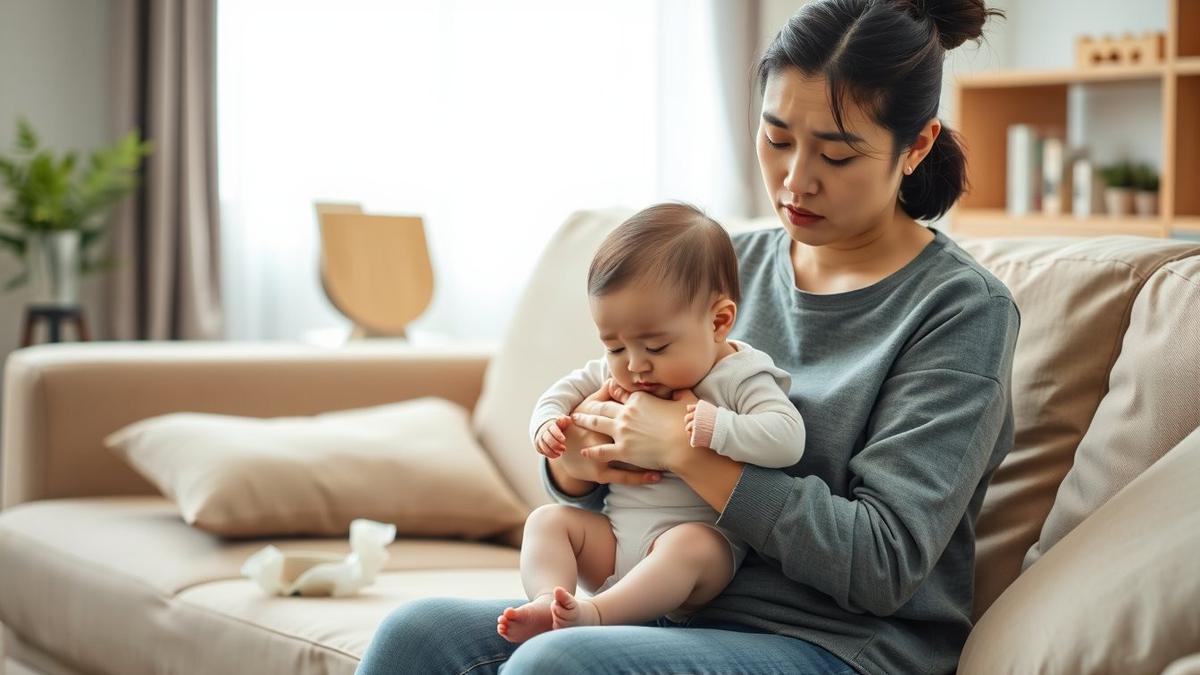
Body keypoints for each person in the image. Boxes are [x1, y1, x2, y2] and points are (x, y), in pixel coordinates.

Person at [356, 0, 1016, 672]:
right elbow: (608, 457)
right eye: (778, 137)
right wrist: (578, 463)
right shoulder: (730, 264)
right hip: (670, 606)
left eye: (837, 154)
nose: (795, 180)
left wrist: (686, 447)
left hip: (837, 643)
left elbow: (883, 562)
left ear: (918, 145)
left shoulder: (960, 311)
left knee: (553, 666)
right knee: (415, 634)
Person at [498, 203, 807, 643]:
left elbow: (788, 438)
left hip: (695, 559)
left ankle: (596, 617)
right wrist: (547, 424)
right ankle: (552, 600)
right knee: (547, 521)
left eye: (657, 347)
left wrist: (714, 426)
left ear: (719, 322)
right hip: (616, 544)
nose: (635, 366)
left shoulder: (740, 375)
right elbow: (561, 391)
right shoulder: (620, 367)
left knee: (690, 546)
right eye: (614, 347)